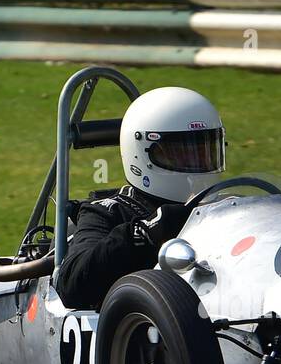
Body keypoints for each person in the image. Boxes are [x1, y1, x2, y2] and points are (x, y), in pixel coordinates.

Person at [56, 86, 226, 309]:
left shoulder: (225, 206)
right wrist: (143, 233)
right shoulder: (109, 212)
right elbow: (71, 287)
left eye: (204, 151)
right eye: (179, 153)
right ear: (140, 152)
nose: (197, 163)